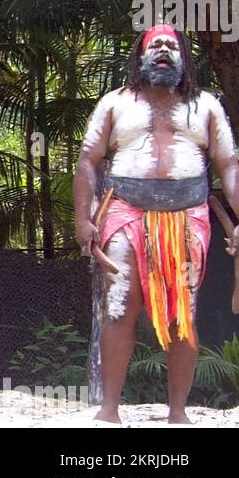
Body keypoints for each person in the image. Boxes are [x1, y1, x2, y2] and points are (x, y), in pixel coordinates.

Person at [74, 24, 239, 424]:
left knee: (182, 310)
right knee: (120, 307)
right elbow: (87, 161)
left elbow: (228, 165)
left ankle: (177, 413)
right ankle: (110, 409)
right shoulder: (115, 103)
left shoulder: (206, 107)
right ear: (142, 56)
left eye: (171, 45)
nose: (163, 50)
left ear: (183, 56)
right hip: (123, 215)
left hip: (186, 220)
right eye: (155, 45)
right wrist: (82, 218)